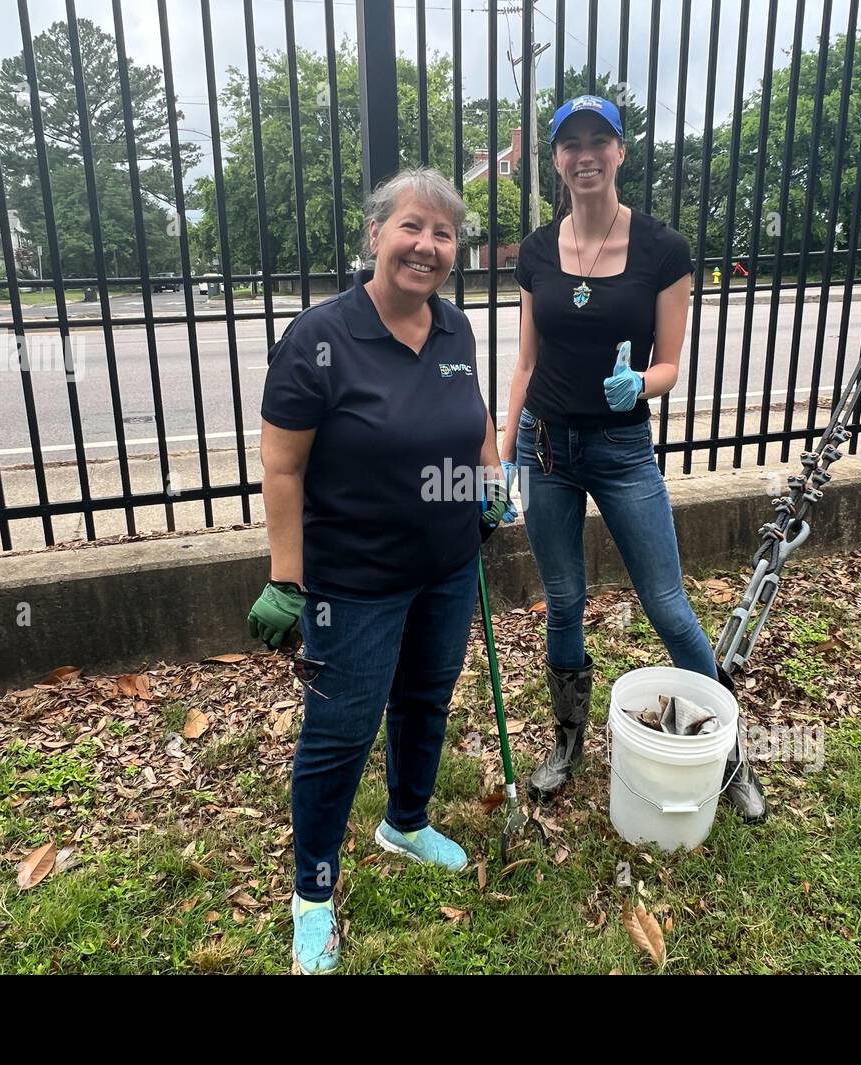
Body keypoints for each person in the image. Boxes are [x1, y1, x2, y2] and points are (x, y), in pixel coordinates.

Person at [247, 168, 510, 974]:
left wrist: (491, 482)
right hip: (353, 582)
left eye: (443, 233)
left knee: (426, 699)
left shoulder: (455, 328)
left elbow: (476, 418)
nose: (426, 246)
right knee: (340, 735)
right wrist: (286, 578)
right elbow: (282, 466)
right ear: (375, 234)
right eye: (411, 227)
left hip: (448, 565)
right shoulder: (319, 338)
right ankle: (312, 895)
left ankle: (405, 821)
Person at [500, 95, 767, 823]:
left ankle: (730, 752)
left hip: (621, 450)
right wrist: (506, 448)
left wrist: (639, 384)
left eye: (600, 140)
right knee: (563, 601)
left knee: (668, 605)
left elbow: (671, 363)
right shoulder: (536, 251)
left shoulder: (662, 250)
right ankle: (567, 742)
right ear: (557, 159)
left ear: (620, 152)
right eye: (571, 144)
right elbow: (526, 363)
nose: (585, 155)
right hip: (546, 448)